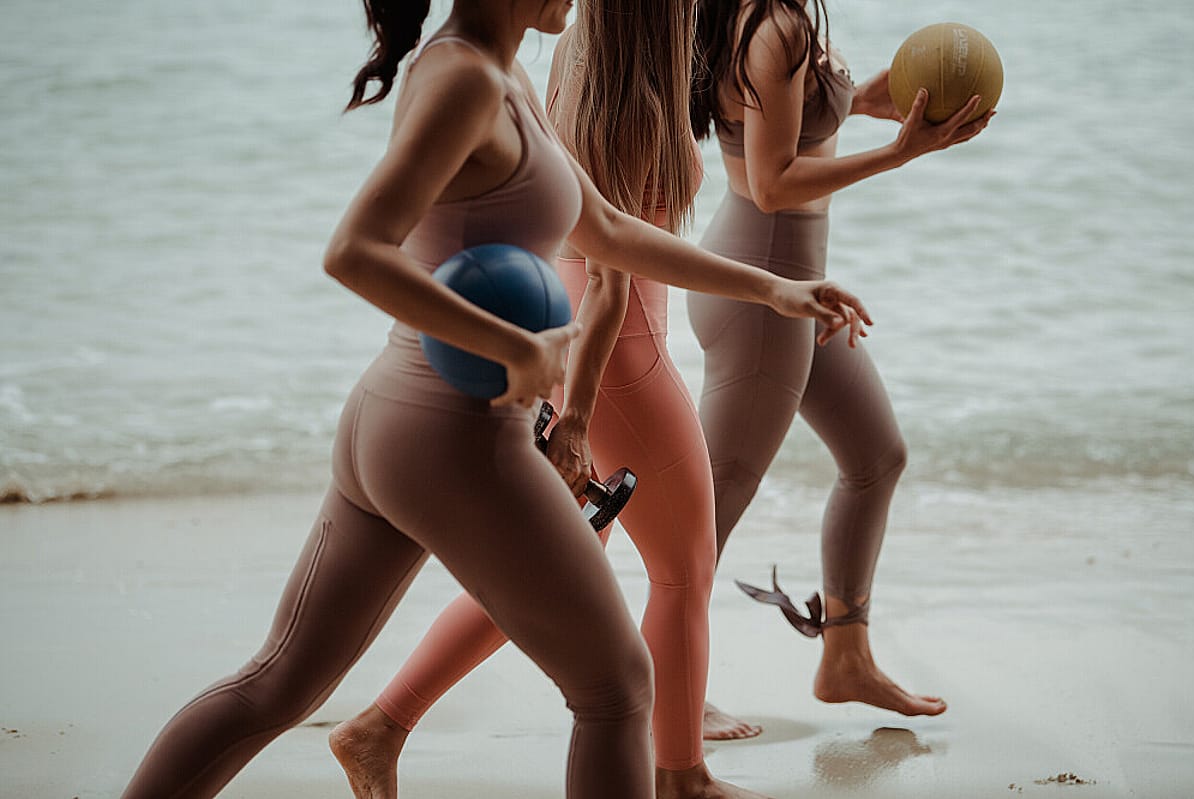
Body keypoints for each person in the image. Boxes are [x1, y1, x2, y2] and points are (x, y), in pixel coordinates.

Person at [119, 1, 871, 797]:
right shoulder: (464, 80)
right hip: (456, 438)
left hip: (398, 424)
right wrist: (513, 347)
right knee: (617, 687)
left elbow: (610, 232)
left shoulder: (500, 72)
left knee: (277, 682)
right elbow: (355, 250)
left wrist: (774, 289)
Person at [688, 0, 992, 720]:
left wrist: (860, 101)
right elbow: (771, 184)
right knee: (710, 509)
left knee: (876, 457)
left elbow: (777, 122)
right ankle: (665, 695)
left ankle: (847, 659)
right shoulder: (776, 25)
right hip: (763, 293)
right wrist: (900, 153)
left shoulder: (770, 14)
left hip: (789, 284)